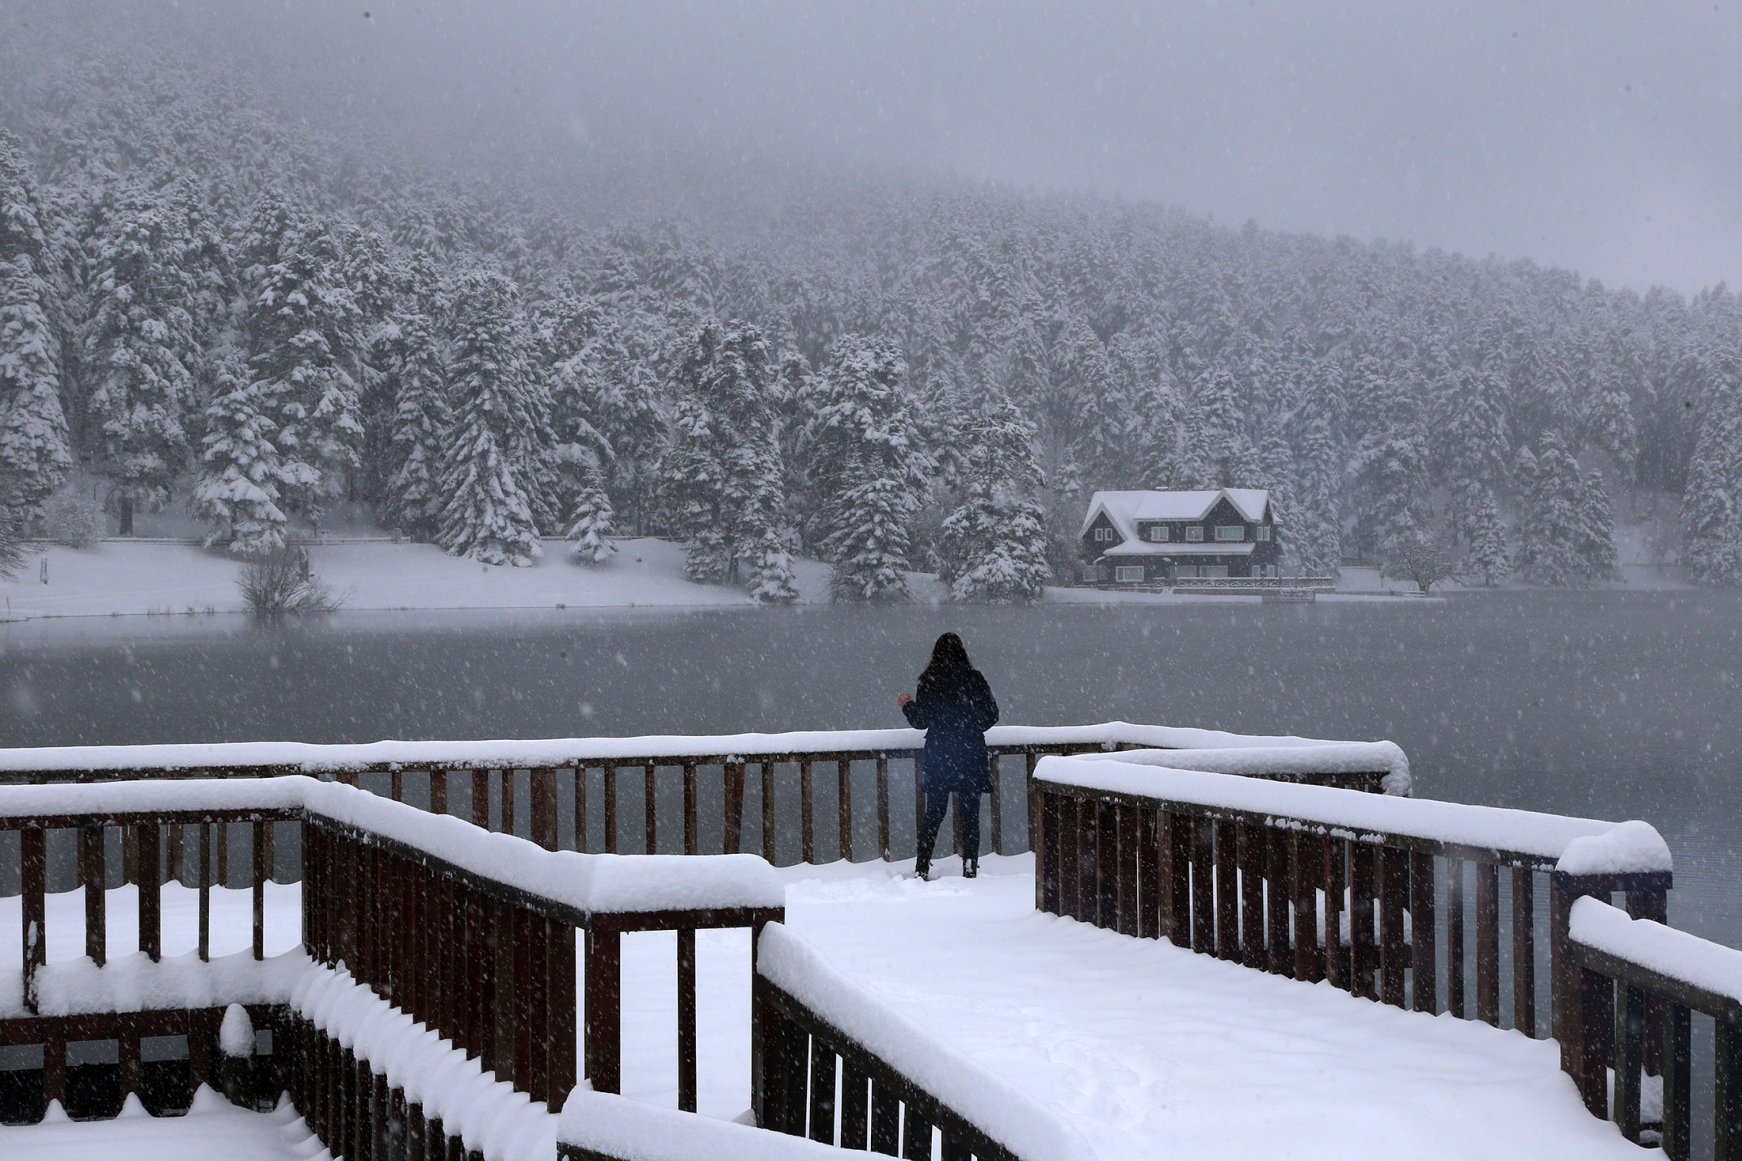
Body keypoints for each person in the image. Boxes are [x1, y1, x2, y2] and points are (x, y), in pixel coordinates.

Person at [897, 632, 999, 880]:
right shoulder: (974, 679)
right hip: (971, 753)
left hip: (941, 753)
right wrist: (969, 727)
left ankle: (922, 866)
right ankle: (970, 867)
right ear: (962, 652)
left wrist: (906, 705)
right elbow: (992, 715)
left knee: (934, 813)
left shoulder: (929, 680)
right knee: (970, 815)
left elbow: (921, 721)